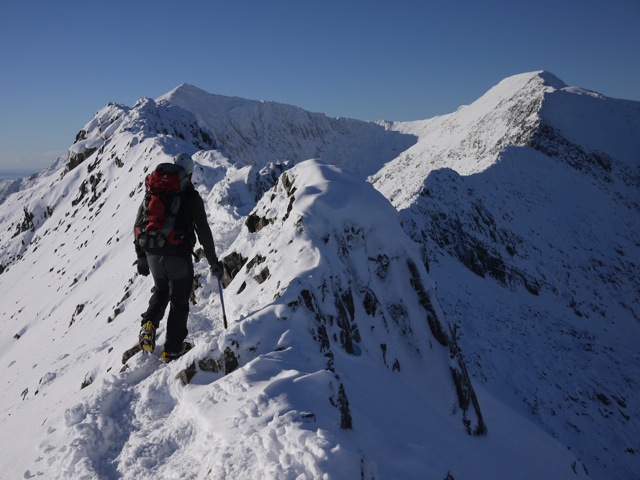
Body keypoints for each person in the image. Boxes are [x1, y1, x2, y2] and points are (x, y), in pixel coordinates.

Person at [133, 153, 223, 362]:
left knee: (162, 290)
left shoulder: (154, 191)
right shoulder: (191, 197)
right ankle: (172, 348)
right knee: (179, 301)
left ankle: (149, 324)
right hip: (178, 256)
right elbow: (203, 231)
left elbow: (139, 223)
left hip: (152, 253)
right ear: (189, 174)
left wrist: (141, 256)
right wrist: (213, 261)